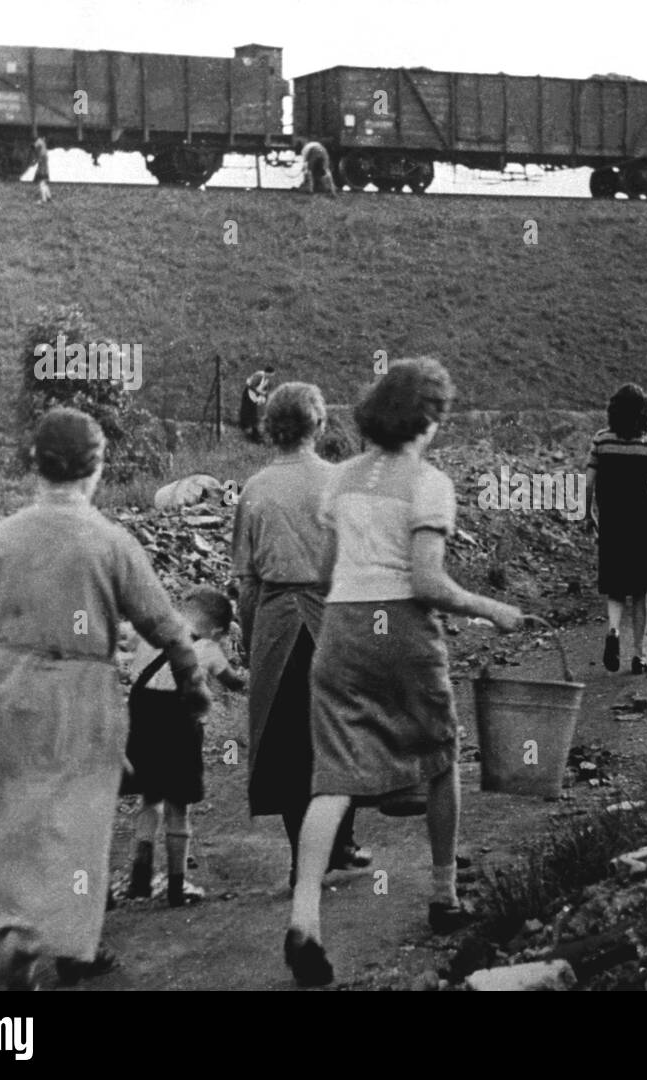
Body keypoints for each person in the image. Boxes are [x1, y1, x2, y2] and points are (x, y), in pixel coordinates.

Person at [284, 359, 532, 987]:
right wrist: (490, 608)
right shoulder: (428, 483)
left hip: (340, 628)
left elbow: (325, 571)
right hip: (402, 631)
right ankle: (445, 894)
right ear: (426, 419)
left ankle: (304, 918)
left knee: (332, 775)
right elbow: (426, 581)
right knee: (442, 755)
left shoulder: (338, 480)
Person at [0, 407, 210, 990]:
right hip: (82, 695)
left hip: (10, 689)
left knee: (20, 819)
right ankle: (65, 944)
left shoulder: (3, 539)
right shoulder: (108, 541)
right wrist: (192, 687)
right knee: (80, 823)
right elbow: (167, 628)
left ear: (33, 466)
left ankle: (22, 930)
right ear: (97, 469)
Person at [232, 382, 370, 894]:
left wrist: (252, 642)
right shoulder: (339, 482)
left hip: (276, 621)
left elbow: (246, 582)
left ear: (272, 428)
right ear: (318, 426)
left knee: (289, 742)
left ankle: (302, 860)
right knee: (341, 731)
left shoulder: (255, 489)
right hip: (333, 616)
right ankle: (341, 842)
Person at [125, 587, 245, 906]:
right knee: (179, 807)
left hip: (143, 725)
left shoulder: (150, 638)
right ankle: (177, 887)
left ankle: (140, 877)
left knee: (149, 798)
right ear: (218, 630)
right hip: (179, 731)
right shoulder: (208, 648)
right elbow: (234, 682)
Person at [586, 384, 647, 674]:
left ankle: (614, 631)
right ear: (644, 414)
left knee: (615, 587)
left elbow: (588, 482)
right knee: (640, 592)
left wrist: (587, 515)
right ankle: (638, 654)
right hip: (641, 521)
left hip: (612, 520)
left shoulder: (601, 440)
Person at [238, 366, 276, 441]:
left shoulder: (268, 379)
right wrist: (259, 392)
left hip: (256, 396)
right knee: (246, 409)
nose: (272, 377)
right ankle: (244, 425)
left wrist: (265, 396)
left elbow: (267, 390)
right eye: (271, 375)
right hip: (249, 393)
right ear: (267, 373)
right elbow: (250, 386)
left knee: (254, 412)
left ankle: (252, 427)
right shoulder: (259, 375)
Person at [32, 137, 51, 204]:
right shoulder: (42, 142)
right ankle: (48, 196)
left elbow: (35, 147)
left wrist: (35, 161)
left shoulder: (39, 141)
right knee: (44, 181)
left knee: (41, 182)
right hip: (44, 165)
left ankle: (43, 199)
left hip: (42, 165)